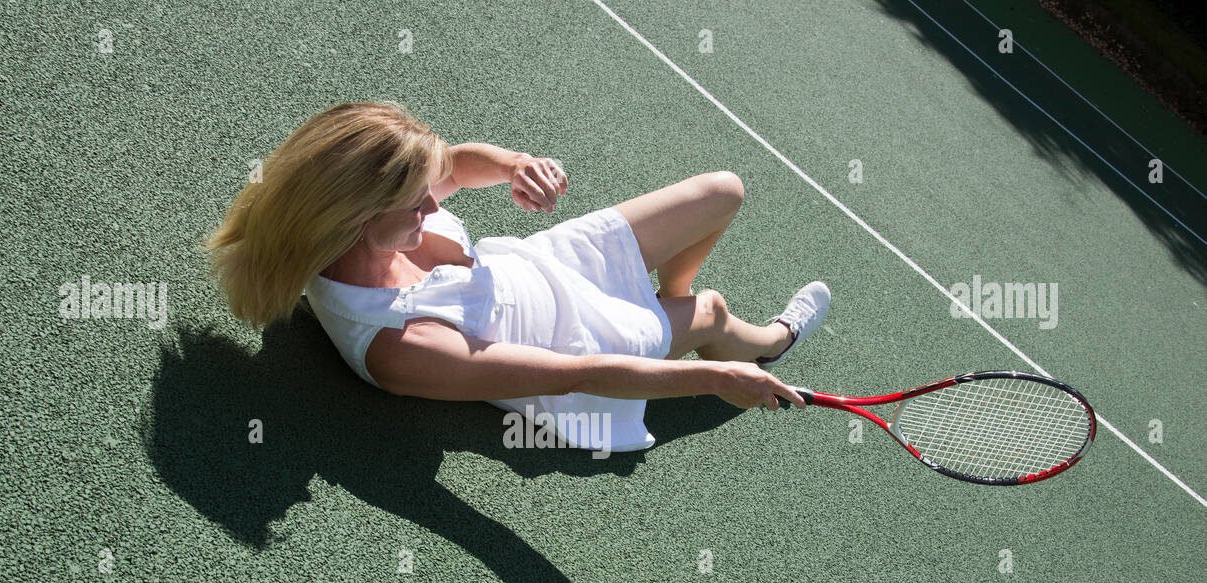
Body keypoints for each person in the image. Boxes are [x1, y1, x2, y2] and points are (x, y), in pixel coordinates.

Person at [202, 101, 829, 453]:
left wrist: (514, 165)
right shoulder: (395, 347)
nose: (435, 205)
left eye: (429, 195)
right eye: (419, 203)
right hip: (580, 339)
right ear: (359, 219)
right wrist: (711, 377)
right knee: (714, 313)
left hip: (546, 262)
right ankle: (770, 341)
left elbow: (454, 166)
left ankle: (672, 305)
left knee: (723, 192)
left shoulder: (361, 216)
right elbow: (579, 374)